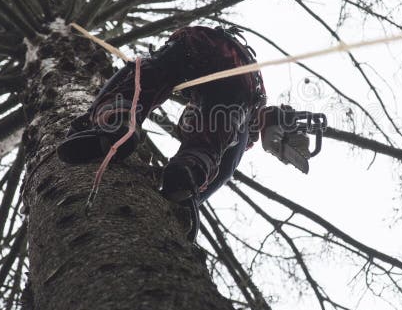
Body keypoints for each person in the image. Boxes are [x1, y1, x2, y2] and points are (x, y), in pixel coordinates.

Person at [57, 26, 326, 239]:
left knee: (147, 74)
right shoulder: (241, 120)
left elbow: (138, 72)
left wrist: (89, 116)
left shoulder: (240, 119)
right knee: (211, 140)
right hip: (242, 79)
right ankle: (189, 172)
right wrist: (194, 193)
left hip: (198, 44)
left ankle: (116, 121)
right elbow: (226, 165)